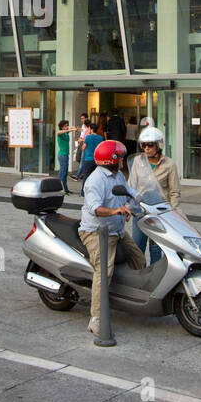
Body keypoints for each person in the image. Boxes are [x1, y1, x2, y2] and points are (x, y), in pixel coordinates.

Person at [80, 140, 146, 337]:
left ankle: (130, 299)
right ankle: (97, 319)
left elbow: (131, 194)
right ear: (112, 160)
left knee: (139, 259)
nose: (123, 162)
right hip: (97, 232)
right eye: (121, 158)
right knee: (104, 272)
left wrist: (146, 202)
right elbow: (96, 209)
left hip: (116, 231)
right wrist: (117, 210)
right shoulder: (95, 180)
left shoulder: (118, 176)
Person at [128, 126, 181, 263]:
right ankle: (138, 276)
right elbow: (130, 186)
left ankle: (155, 277)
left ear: (159, 145)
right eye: (143, 145)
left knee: (156, 248)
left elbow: (174, 191)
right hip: (140, 211)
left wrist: (172, 211)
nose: (146, 148)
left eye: (150, 145)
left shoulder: (169, 165)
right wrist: (129, 205)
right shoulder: (138, 162)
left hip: (159, 213)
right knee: (137, 247)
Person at [54, 119, 72, 192]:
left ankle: (66, 189)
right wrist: (68, 130)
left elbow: (70, 129)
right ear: (61, 127)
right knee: (62, 172)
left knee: (65, 173)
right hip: (62, 155)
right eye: (65, 126)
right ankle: (59, 188)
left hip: (66, 155)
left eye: (67, 125)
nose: (67, 127)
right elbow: (58, 132)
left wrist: (73, 129)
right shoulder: (60, 134)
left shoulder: (66, 134)